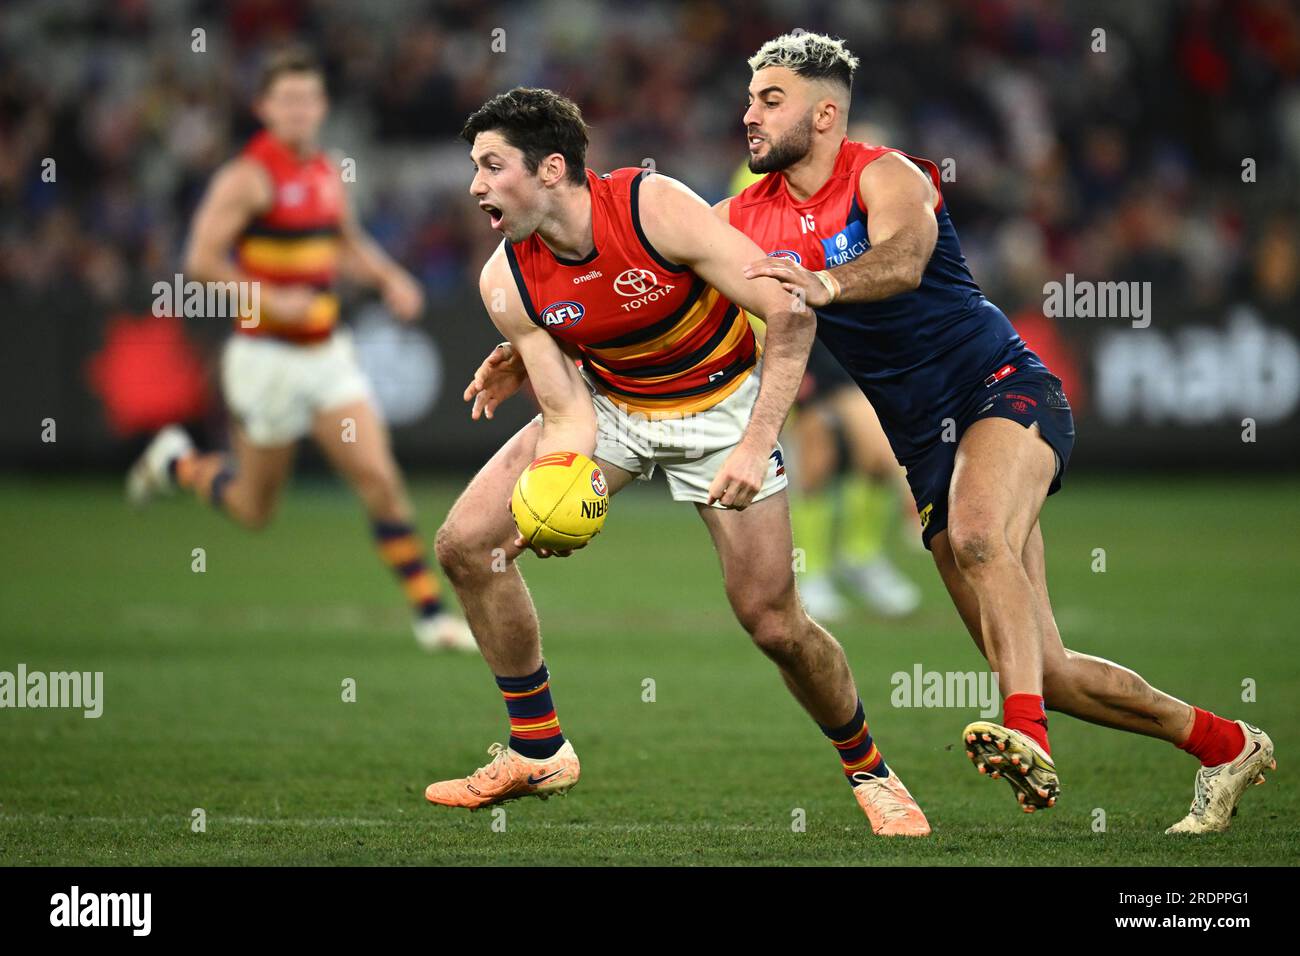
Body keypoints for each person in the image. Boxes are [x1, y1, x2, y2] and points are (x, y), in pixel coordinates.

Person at [424, 87, 930, 837]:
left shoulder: (652, 207)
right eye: (475, 168)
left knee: (774, 622)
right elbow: (564, 411)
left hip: (724, 409)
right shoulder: (506, 280)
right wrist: (564, 483)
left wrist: (759, 440)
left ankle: (871, 771)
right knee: (466, 544)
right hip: (612, 406)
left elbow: (790, 311)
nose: (476, 187)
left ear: (552, 167)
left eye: (492, 166)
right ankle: (540, 746)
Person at [127, 48, 472, 652]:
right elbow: (199, 262)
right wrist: (265, 298)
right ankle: (177, 461)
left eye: (308, 99)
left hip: (325, 352)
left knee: (381, 480)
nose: (299, 110)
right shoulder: (246, 177)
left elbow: (346, 244)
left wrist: (390, 277)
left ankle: (430, 617)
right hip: (265, 361)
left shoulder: (328, 170)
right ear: (263, 107)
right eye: (286, 99)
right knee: (254, 508)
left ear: (322, 106)